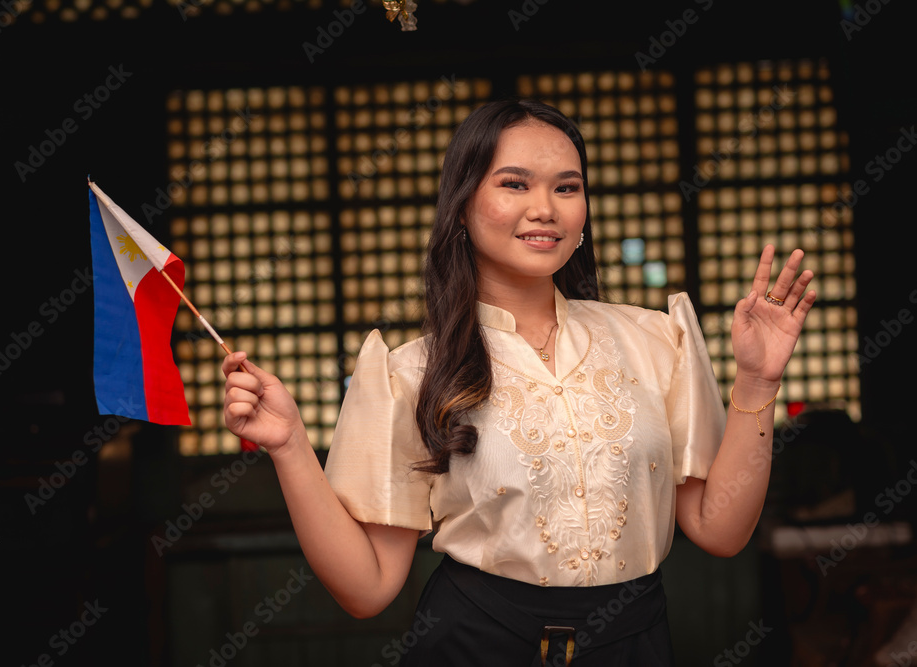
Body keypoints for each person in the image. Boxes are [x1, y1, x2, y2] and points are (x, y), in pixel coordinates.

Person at [221, 98, 816, 665]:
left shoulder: (655, 341)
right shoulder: (409, 373)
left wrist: (758, 381)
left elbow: (720, 529)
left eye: (567, 187)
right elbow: (367, 588)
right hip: (475, 645)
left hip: (633, 643)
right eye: (514, 184)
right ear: (461, 204)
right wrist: (290, 445)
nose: (545, 208)